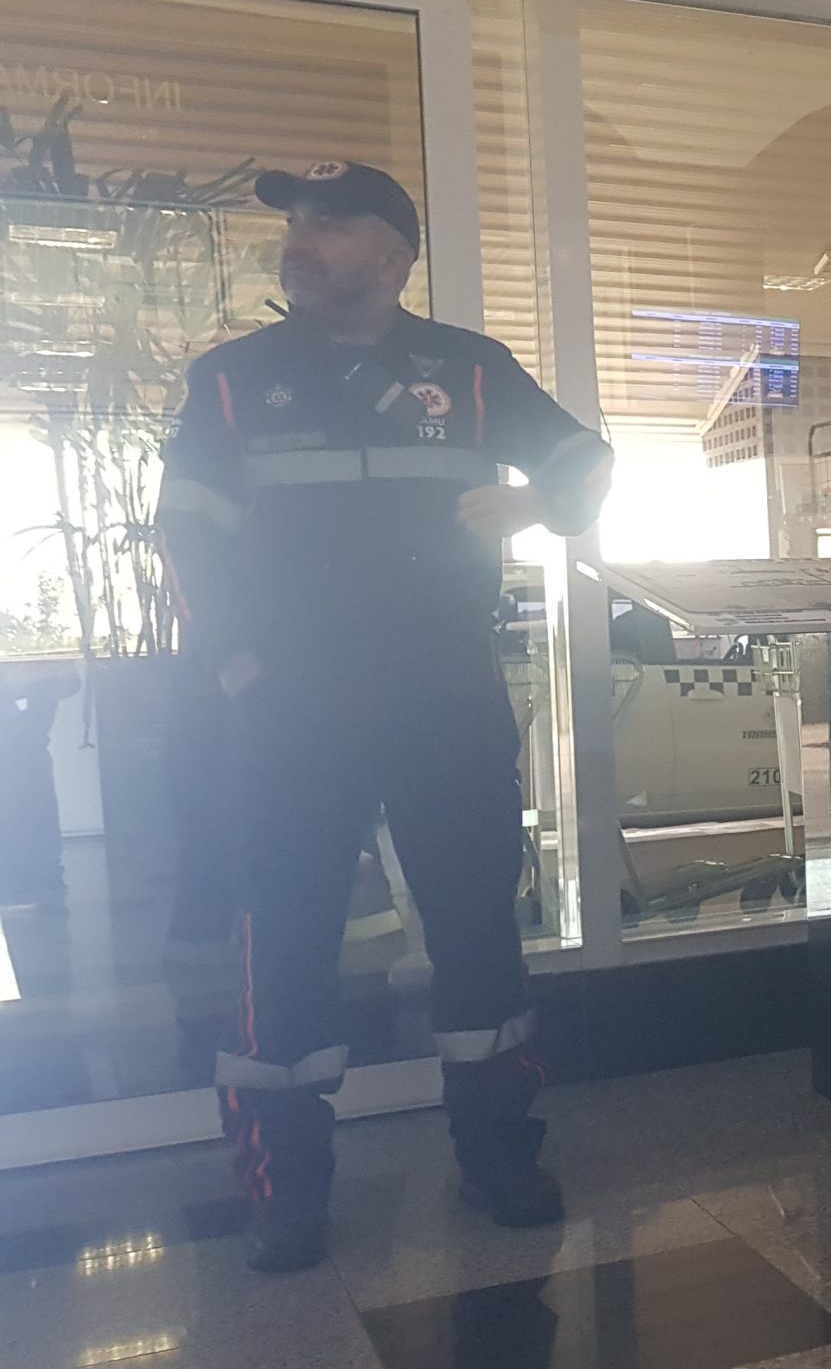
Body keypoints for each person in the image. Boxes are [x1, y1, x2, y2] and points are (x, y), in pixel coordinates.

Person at [155, 161, 614, 1273]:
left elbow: (586, 461)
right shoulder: (232, 380)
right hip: (292, 709)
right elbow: (184, 535)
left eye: (330, 223)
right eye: (295, 225)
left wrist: (540, 499)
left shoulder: (467, 366)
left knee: (473, 927)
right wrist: (239, 671)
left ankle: (500, 1156)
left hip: (443, 693)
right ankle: (286, 1190)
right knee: (289, 943)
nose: (301, 240)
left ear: (395, 254)